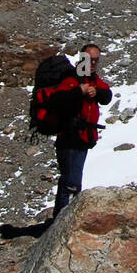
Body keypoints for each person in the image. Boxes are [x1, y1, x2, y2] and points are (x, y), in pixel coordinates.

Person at [52, 42, 112, 218]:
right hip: (69, 136)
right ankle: (62, 219)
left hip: (83, 137)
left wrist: (96, 92)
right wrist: (80, 91)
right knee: (70, 181)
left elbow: (107, 96)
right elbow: (59, 99)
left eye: (96, 60)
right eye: (89, 59)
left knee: (72, 181)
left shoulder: (93, 79)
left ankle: (63, 218)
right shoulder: (71, 77)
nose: (92, 63)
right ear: (81, 58)